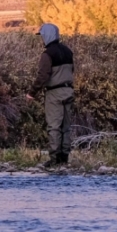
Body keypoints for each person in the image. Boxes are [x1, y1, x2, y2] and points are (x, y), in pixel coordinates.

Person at [33, 23, 75, 165]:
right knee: (66, 127)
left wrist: (31, 93)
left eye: (42, 36)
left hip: (54, 93)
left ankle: (54, 159)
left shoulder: (47, 54)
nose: (42, 39)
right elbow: (72, 71)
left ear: (47, 36)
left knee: (54, 126)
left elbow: (42, 76)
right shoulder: (68, 51)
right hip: (69, 91)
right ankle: (65, 158)